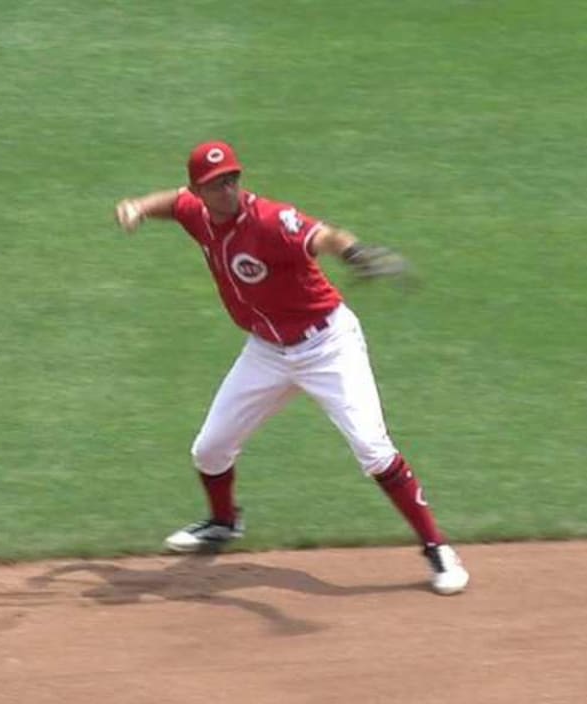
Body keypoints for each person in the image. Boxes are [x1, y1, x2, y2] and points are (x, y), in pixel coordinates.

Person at [113, 141, 469, 596]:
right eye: (217, 184)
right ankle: (224, 523)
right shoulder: (197, 213)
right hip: (267, 352)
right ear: (200, 190)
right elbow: (174, 202)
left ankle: (438, 548)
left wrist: (355, 252)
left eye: (232, 179)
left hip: (328, 347)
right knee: (210, 449)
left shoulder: (268, 220)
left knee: (373, 451)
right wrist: (138, 207)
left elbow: (325, 236)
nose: (229, 189)